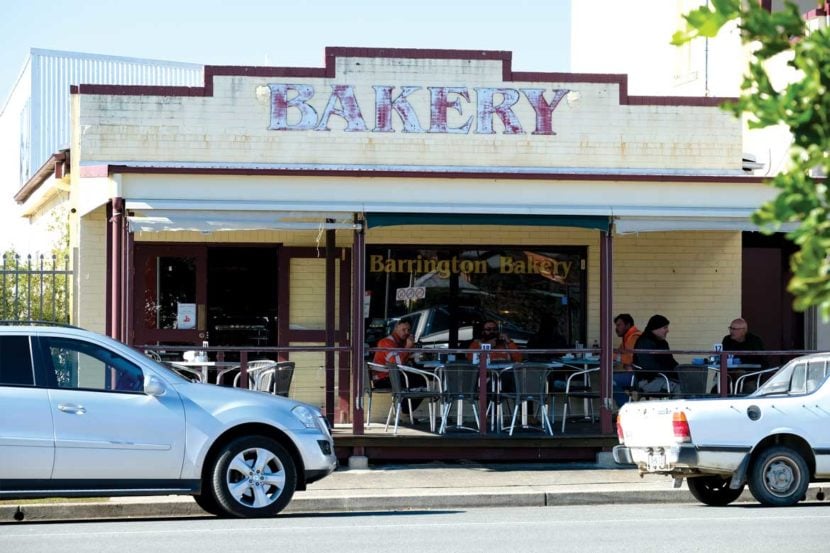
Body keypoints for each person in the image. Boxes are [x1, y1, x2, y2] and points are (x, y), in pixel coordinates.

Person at [371, 320, 427, 420]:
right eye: (403, 329)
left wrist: (412, 350)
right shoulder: (386, 342)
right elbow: (397, 362)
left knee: (420, 382)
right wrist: (408, 347)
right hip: (382, 379)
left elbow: (407, 360)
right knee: (419, 382)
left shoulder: (401, 343)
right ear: (396, 328)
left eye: (408, 330)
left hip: (395, 377)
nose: (406, 332)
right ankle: (403, 412)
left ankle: (404, 412)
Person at [633, 314, 679, 395]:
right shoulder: (644, 342)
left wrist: (681, 370)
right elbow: (649, 366)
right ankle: (676, 408)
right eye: (665, 327)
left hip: (664, 377)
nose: (668, 330)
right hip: (647, 381)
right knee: (680, 388)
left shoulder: (663, 343)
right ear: (655, 329)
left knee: (689, 384)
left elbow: (671, 361)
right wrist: (672, 373)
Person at [612, 313, 641, 407]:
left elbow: (629, 359)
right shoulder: (627, 337)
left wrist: (611, 356)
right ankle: (629, 406)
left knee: (609, 381)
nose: (616, 328)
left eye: (619, 325)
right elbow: (619, 353)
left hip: (639, 375)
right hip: (633, 374)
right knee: (610, 379)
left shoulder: (634, 337)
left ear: (628, 325)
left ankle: (628, 408)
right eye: (616, 325)